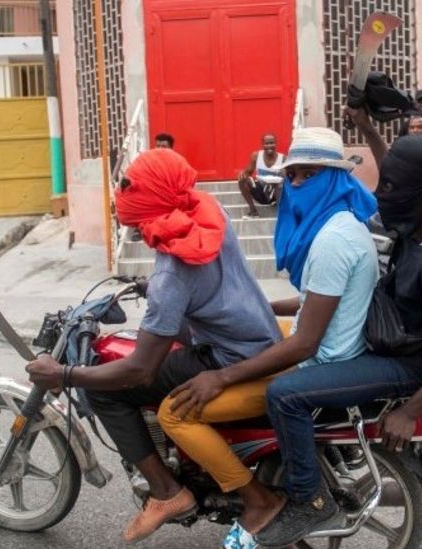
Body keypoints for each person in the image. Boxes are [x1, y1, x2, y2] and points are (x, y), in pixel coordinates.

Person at [24, 148, 282, 544]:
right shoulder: (208, 210)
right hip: (254, 337)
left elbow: (139, 368)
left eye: (131, 187)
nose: (123, 193)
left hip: (226, 356)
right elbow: (197, 283)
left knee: (106, 388)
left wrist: (65, 374)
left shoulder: (172, 277)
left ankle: (166, 492)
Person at [255, 131, 422, 547]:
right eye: (385, 184)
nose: (383, 196)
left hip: (408, 365)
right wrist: (367, 125)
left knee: (284, 395)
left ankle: (309, 502)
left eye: (393, 188)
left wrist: (410, 412)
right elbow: (400, 174)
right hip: (390, 335)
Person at [157, 127, 377, 549]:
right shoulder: (344, 222)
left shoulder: (332, 241)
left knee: (175, 413)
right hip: (327, 344)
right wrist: (261, 304)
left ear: (334, 178)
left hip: (314, 364)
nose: (296, 185)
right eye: (292, 176)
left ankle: (255, 500)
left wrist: (221, 378)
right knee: (247, 330)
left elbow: (304, 344)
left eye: (308, 176)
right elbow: (318, 301)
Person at [238, 133, 286, 219]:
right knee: (242, 179)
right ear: (263, 144)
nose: (269, 146)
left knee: (281, 185)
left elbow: (288, 178)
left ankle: (281, 215)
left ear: (276, 143)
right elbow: (248, 172)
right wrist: (243, 173)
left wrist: (283, 174)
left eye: (272, 143)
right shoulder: (256, 156)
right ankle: (253, 211)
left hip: (276, 193)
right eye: (267, 143)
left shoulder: (282, 158)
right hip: (260, 192)